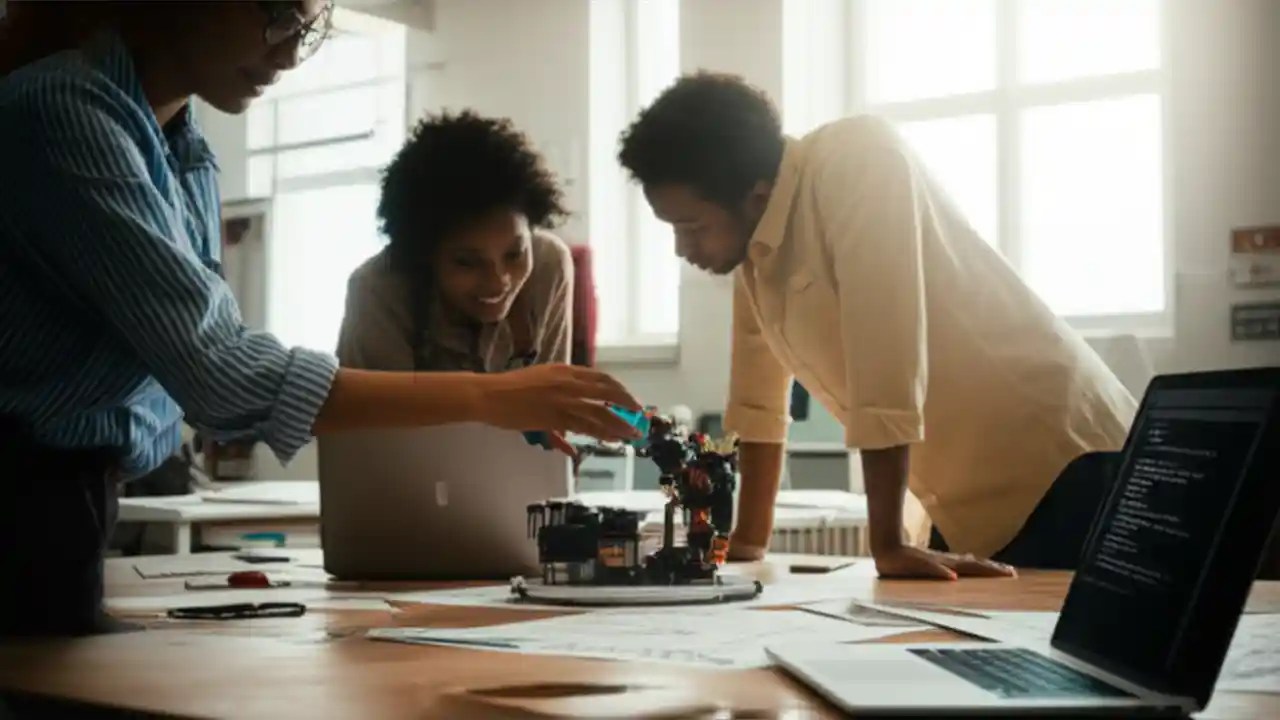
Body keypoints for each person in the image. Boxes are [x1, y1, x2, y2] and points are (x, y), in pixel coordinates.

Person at [0, 1, 641, 637]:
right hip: (29, 487)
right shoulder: (62, 110)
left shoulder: (183, 148)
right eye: (277, 14)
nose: (289, 52)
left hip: (75, 499)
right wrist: (488, 395)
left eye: (307, 29)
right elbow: (220, 373)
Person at [617, 72, 1137, 580]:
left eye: (692, 228)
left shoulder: (854, 157)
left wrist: (887, 543)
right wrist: (748, 541)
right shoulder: (755, 251)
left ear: (753, 194)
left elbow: (886, 354)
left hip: (1067, 466)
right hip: (968, 505)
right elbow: (757, 405)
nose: (684, 251)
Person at [338, 111, 574, 376]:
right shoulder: (377, 289)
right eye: (467, 262)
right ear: (424, 255)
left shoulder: (548, 264)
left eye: (514, 254)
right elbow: (378, 413)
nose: (499, 282)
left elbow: (550, 399)